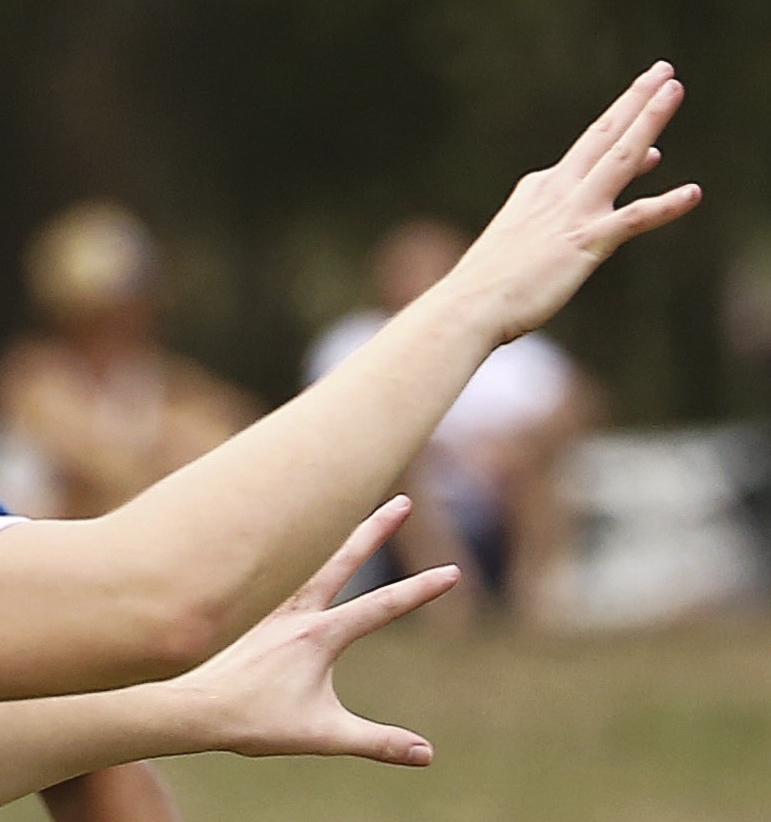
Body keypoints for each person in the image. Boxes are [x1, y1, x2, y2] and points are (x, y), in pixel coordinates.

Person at [0, 65, 698, 804]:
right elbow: (155, 595)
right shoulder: (40, 379)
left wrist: (180, 711)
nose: (112, 324)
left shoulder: (169, 385)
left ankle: (532, 605)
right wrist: (472, 300)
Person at [307, 219, 597, 623]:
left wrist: (521, 445)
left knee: (533, 469)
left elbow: (574, 404)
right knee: (400, 473)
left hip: (495, 497)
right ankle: (452, 611)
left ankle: (537, 606)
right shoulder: (354, 341)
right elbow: (334, 427)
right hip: (394, 510)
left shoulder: (507, 342)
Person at [1, 203, 255, 520]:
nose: (117, 325)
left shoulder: (171, 382)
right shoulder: (34, 375)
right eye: (95, 314)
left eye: (127, 308)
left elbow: (235, 444)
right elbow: (98, 466)